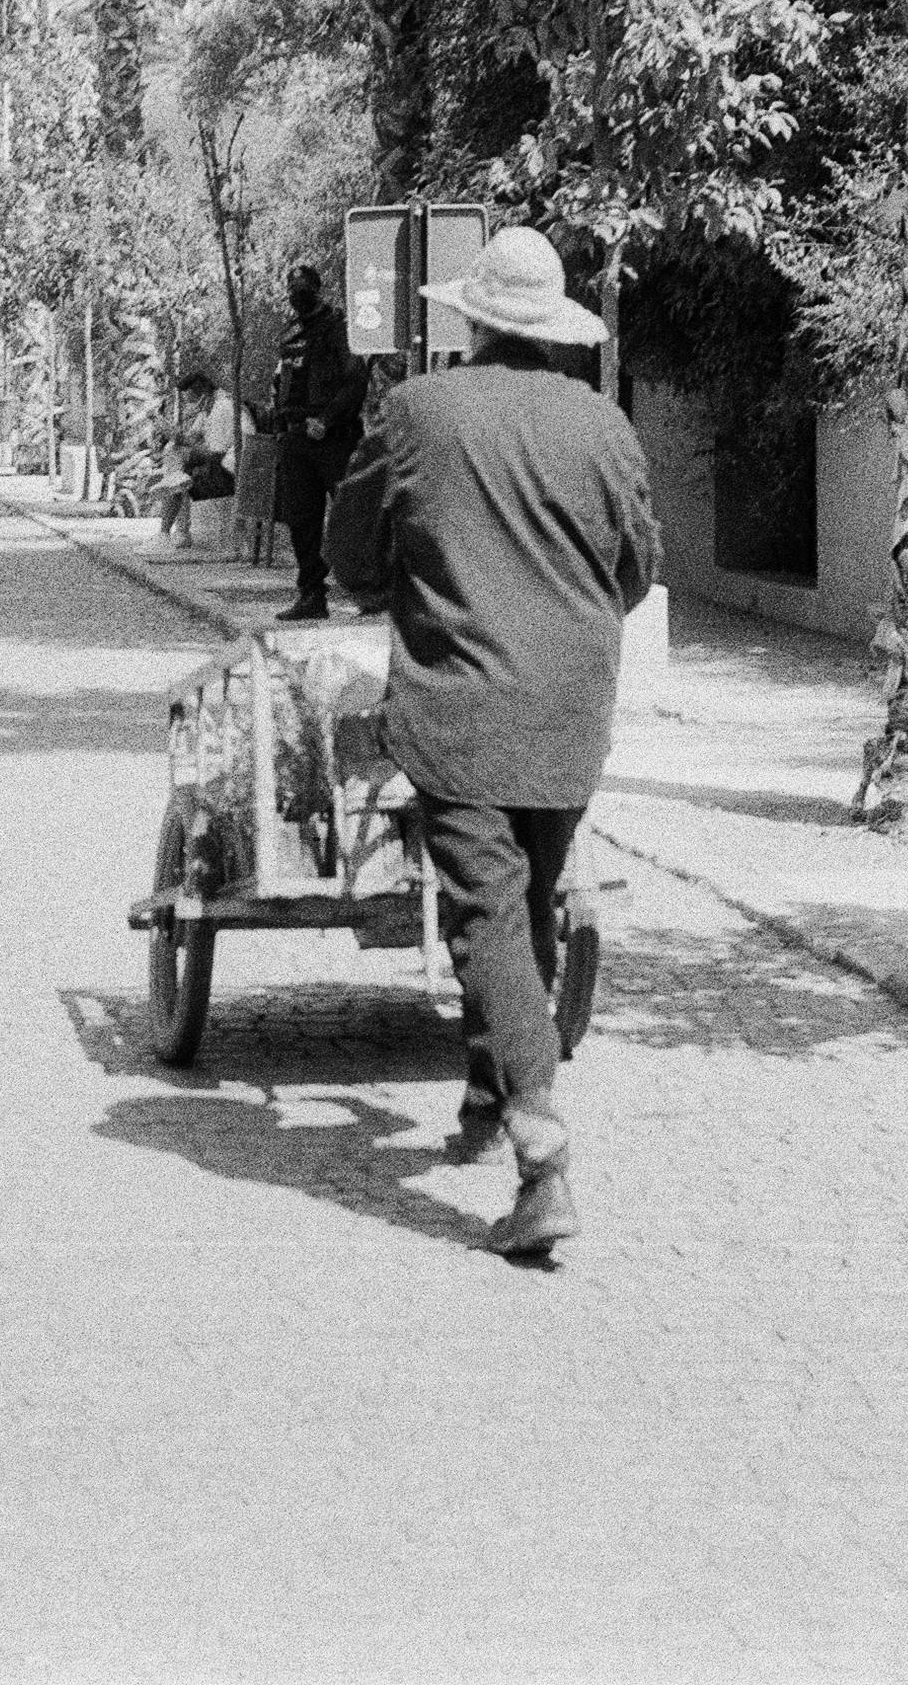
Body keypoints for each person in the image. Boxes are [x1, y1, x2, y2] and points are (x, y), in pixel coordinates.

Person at [325, 226, 658, 1259]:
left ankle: (539, 1146)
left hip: (459, 708)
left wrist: (403, 591)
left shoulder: (419, 412)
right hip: (567, 713)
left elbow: (349, 549)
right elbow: (635, 570)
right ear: (553, 328)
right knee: (526, 904)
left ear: (469, 316)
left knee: (483, 917)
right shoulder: (604, 426)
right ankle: (485, 1085)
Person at [270, 261, 364, 620]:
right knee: (302, 521)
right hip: (296, 438)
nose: (296, 296)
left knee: (350, 514)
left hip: (333, 437)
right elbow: (282, 384)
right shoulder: (293, 334)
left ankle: (368, 590)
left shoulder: (339, 328)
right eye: (291, 290)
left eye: (302, 289)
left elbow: (355, 380)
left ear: (316, 289)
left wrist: (327, 420)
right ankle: (312, 595)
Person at [143, 367, 237, 555]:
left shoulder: (222, 408)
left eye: (191, 400)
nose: (189, 407)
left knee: (177, 475)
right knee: (177, 467)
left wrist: (186, 453)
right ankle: (178, 532)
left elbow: (215, 453)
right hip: (216, 462)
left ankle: (170, 533)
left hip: (229, 469)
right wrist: (159, 420)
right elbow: (185, 439)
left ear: (202, 392)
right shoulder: (206, 409)